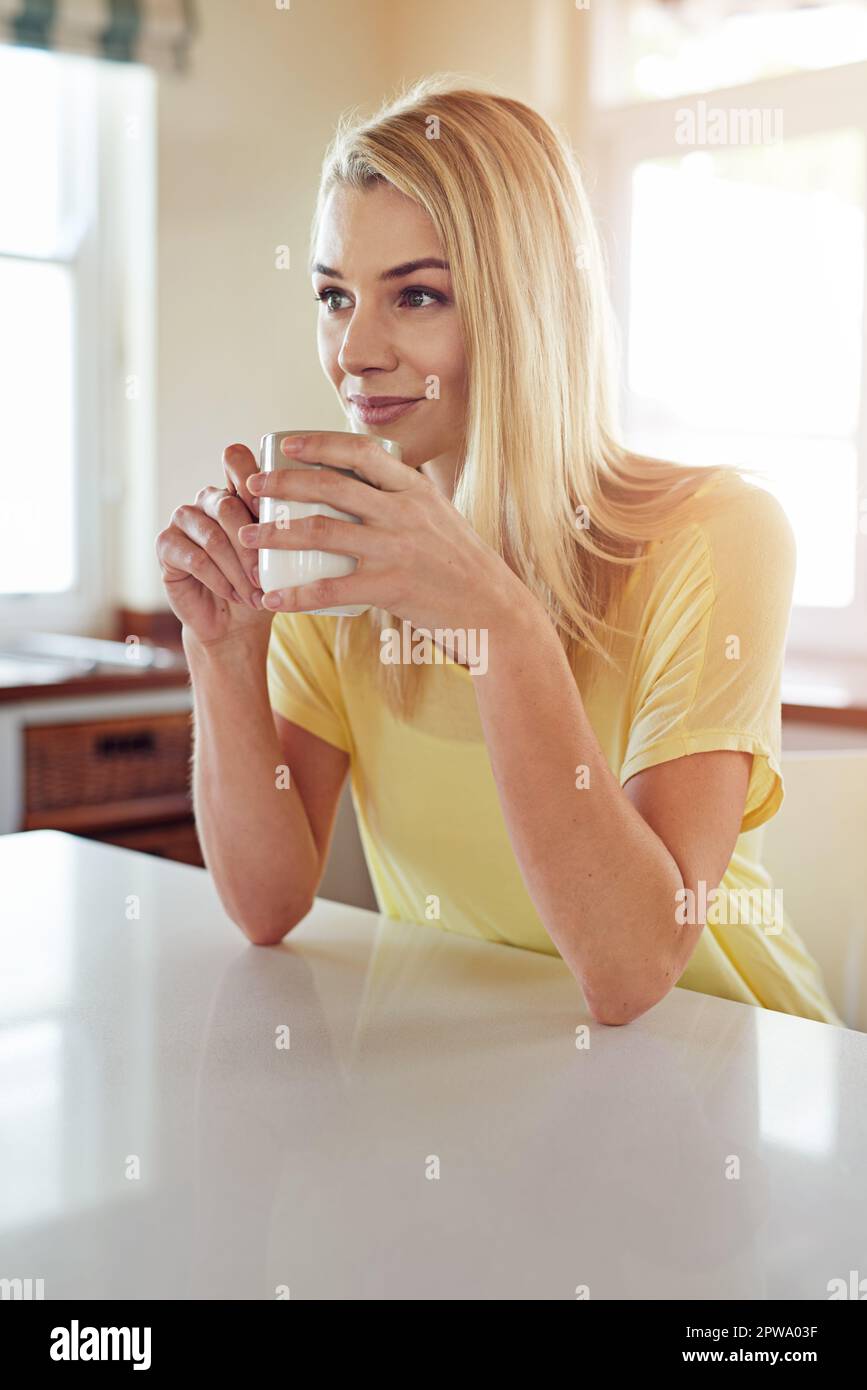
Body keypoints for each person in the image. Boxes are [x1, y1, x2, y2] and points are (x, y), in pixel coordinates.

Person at [156, 75, 842, 1027]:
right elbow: (266, 907)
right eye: (333, 295)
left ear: (527, 305)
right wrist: (224, 657)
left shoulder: (717, 532)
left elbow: (634, 967)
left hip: (723, 1064)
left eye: (418, 294)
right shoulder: (332, 558)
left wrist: (500, 627)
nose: (353, 349)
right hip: (474, 1071)